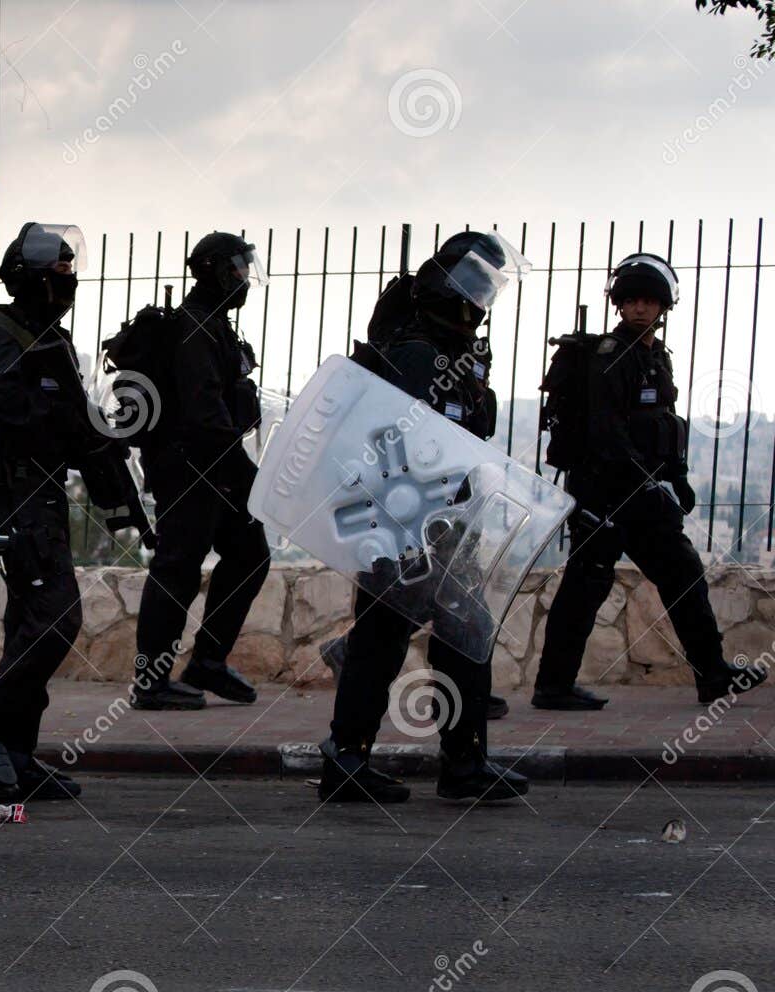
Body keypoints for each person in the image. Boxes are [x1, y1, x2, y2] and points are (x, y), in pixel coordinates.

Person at [319, 232, 531, 804]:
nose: (483, 300)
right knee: (456, 634)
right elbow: (403, 444)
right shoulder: (416, 353)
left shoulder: (449, 350)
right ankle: (456, 767)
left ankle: (351, 759)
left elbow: (473, 427)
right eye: (477, 286)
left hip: (427, 521)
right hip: (411, 523)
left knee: (391, 637)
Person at [532, 253, 765, 709]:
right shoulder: (610, 357)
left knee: (683, 575)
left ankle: (712, 674)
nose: (640, 308)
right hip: (605, 493)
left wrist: (675, 477)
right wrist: (647, 483)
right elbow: (607, 431)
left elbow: (661, 421)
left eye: (649, 301)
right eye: (632, 300)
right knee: (587, 585)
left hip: (641, 494)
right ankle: (552, 686)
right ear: (619, 305)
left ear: (663, 308)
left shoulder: (655, 358)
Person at [0, 222, 115, 804]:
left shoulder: (47, 337)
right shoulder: (5, 330)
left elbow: (74, 416)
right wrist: (54, 420)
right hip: (12, 492)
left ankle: (14, 755)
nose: (70, 280)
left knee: (28, 622)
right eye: (61, 270)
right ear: (36, 278)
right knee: (56, 616)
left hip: (37, 492)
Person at [127, 231, 272, 710]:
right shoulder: (192, 329)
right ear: (214, 269)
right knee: (177, 569)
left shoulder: (214, 325)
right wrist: (248, 474)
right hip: (189, 468)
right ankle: (151, 682)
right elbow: (204, 415)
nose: (244, 277)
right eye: (237, 267)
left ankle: (208, 660)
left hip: (216, 467)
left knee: (250, 552)